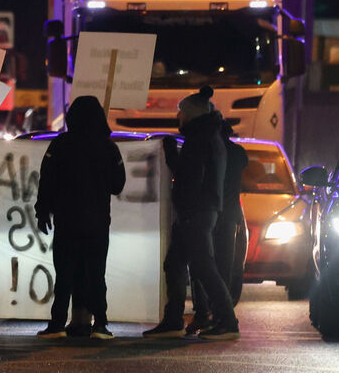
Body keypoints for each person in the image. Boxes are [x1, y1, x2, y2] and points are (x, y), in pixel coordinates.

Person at [144, 85, 239, 340]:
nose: (179, 118)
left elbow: (189, 176)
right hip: (200, 210)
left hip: (195, 211)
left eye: (181, 113)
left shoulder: (199, 139)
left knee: (203, 266)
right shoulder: (209, 135)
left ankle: (227, 321)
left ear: (191, 115)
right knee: (177, 263)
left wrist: (170, 155)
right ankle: (174, 320)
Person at [34, 95, 126, 340]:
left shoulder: (61, 144)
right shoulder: (108, 147)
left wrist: (42, 211)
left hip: (66, 220)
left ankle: (56, 324)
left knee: (64, 273)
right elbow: (118, 184)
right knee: (96, 273)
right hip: (97, 221)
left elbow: (47, 180)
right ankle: (100, 324)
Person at [189, 117, 248, 334]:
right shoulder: (238, 153)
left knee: (202, 265)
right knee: (222, 267)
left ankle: (210, 314)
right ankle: (214, 314)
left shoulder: (210, 152)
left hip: (209, 213)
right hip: (230, 216)